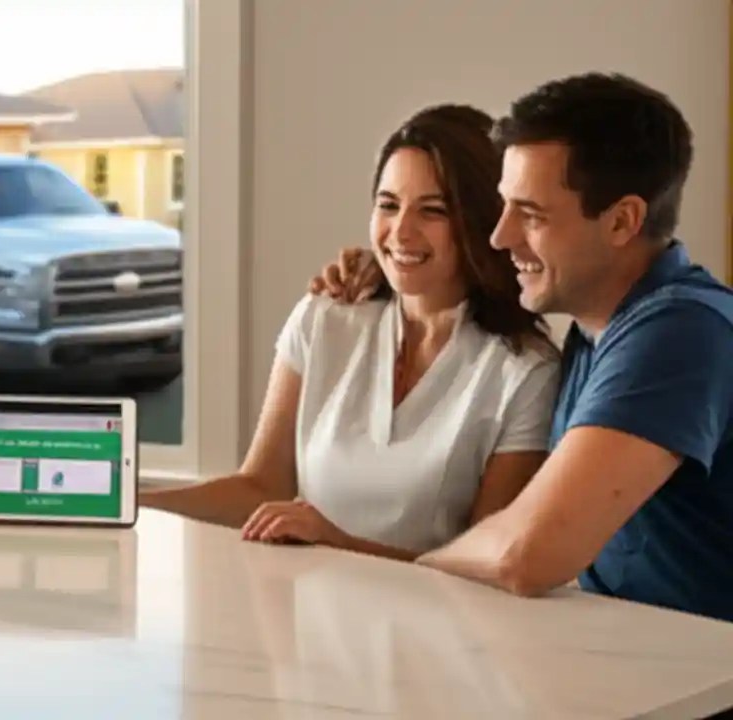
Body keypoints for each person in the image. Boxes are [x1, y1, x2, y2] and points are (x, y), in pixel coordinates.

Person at [24, 102, 553, 564]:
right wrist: (118, 503)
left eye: (433, 210)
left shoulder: (524, 371)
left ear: (483, 218)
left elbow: (487, 568)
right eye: (388, 205)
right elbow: (260, 488)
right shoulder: (326, 317)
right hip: (306, 629)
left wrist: (334, 541)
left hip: (436, 652)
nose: (402, 231)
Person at [310, 73, 733, 624]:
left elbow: (525, 553)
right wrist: (390, 273)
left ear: (622, 221)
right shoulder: (597, 330)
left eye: (530, 215)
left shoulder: (680, 330)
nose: (499, 236)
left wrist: (389, 566)